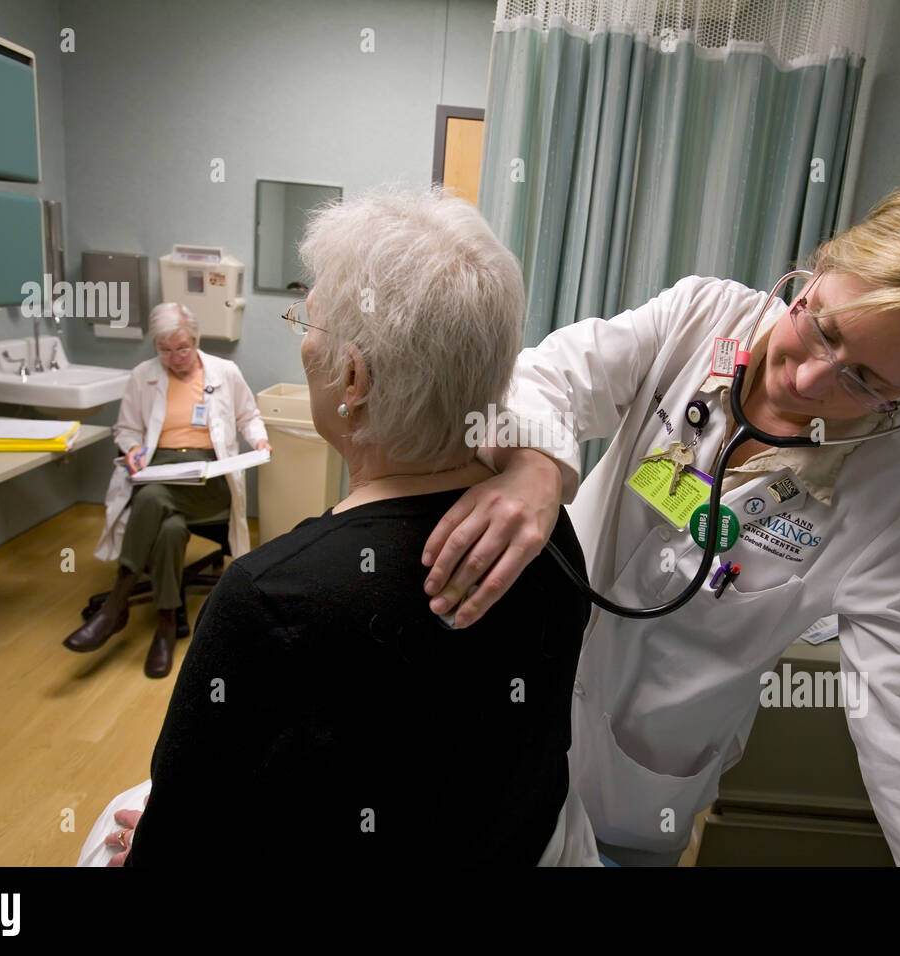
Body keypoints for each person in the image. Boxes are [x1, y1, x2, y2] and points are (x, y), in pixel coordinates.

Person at [418, 177, 900, 866]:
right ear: (821, 268)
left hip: (629, 803)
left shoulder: (894, 512)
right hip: (505, 732)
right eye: (821, 326)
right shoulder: (700, 314)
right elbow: (550, 376)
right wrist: (536, 466)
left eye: (868, 383)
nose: (808, 381)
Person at [76, 186, 600, 866]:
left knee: (106, 830)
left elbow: (180, 845)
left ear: (352, 377)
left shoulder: (269, 599)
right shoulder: (546, 535)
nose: (302, 342)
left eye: (307, 320)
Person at [64, 303, 271, 678]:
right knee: (170, 528)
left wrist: (259, 442)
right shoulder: (143, 375)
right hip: (159, 469)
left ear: (195, 339)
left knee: (152, 497)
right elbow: (125, 429)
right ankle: (164, 627)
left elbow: (247, 416)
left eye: (182, 348)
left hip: (208, 479)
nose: (174, 358)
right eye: (165, 350)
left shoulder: (225, 372)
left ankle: (116, 605)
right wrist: (131, 449)